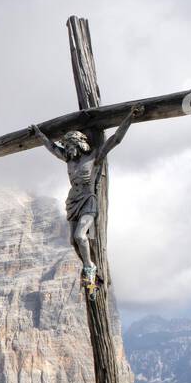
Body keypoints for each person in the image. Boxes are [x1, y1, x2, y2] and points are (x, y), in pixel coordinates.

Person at [30, 105, 141, 289]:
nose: (67, 149)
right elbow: (51, 147)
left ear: (77, 143)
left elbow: (115, 139)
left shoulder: (94, 157)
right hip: (73, 201)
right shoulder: (69, 159)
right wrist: (39, 134)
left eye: (69, 145)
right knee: (73, 240)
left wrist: (130, 117)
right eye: (66, 146)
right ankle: (88, 269)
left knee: (81, 236)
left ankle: (90, 266)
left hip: (88, 200)